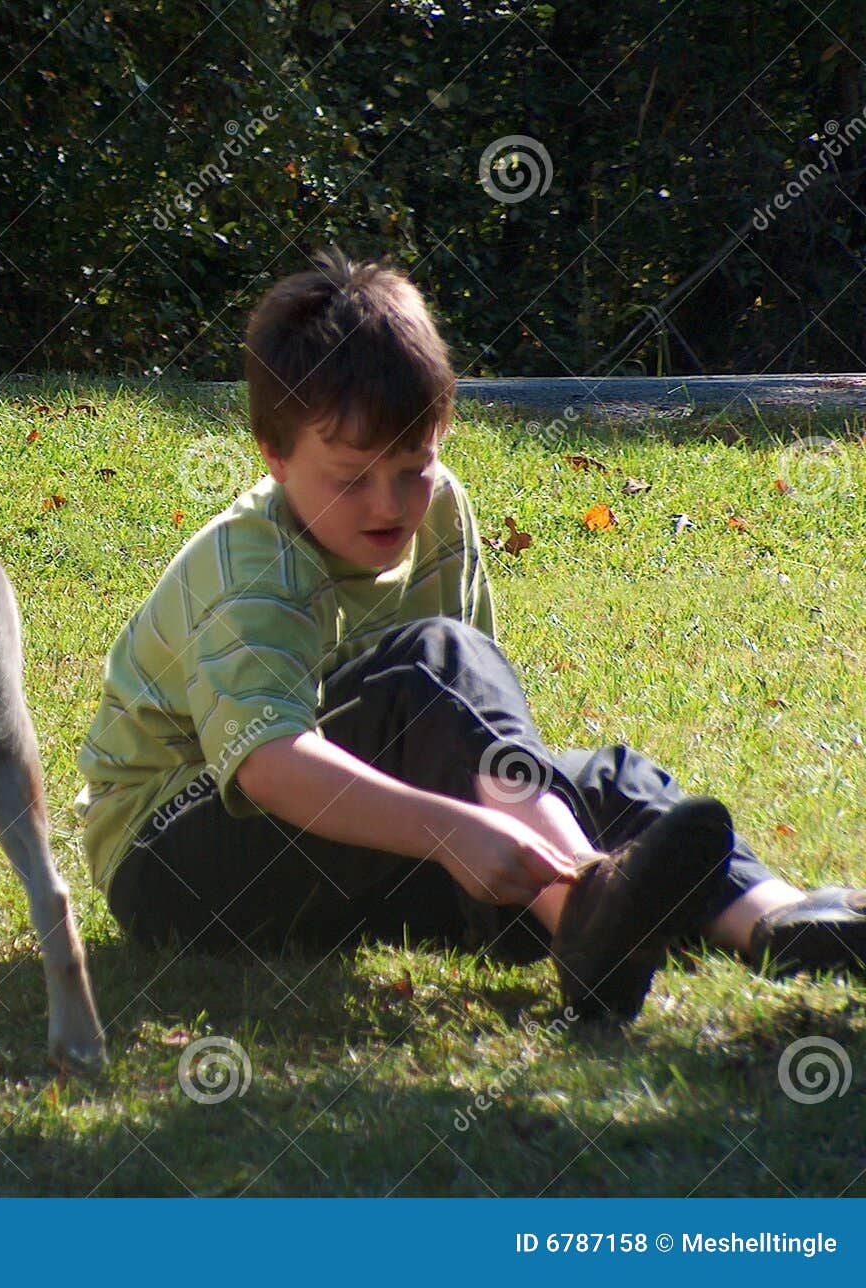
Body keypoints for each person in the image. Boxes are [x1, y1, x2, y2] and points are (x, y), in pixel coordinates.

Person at [74, 251, 865, 1019]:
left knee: (604, 782)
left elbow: (474, 740)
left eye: (413, 464)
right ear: (274, 456)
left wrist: (494, 819)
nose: (388, 503)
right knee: (440, 665)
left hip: (320, 861)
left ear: (441, 430)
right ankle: (583, 902)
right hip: (174, 865)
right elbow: (270, 767)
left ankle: (779, 925)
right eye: (350, 476)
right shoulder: (249, 560)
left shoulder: (441, 511)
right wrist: (454, 827)